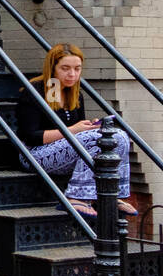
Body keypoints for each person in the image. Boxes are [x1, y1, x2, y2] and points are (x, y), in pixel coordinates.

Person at [16, 43, 136, 217]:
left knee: (119, 136)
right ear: (53, 68)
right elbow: (31, 137)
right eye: (65, 68)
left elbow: (78, 132)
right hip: (34, 154)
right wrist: (73, 129)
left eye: (77, 69)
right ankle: (76, 197)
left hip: (64, 152)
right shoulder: (35, 91)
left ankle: (113, 194)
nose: (72, 74)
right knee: (95, 139)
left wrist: (89, 126)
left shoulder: (74, 93)